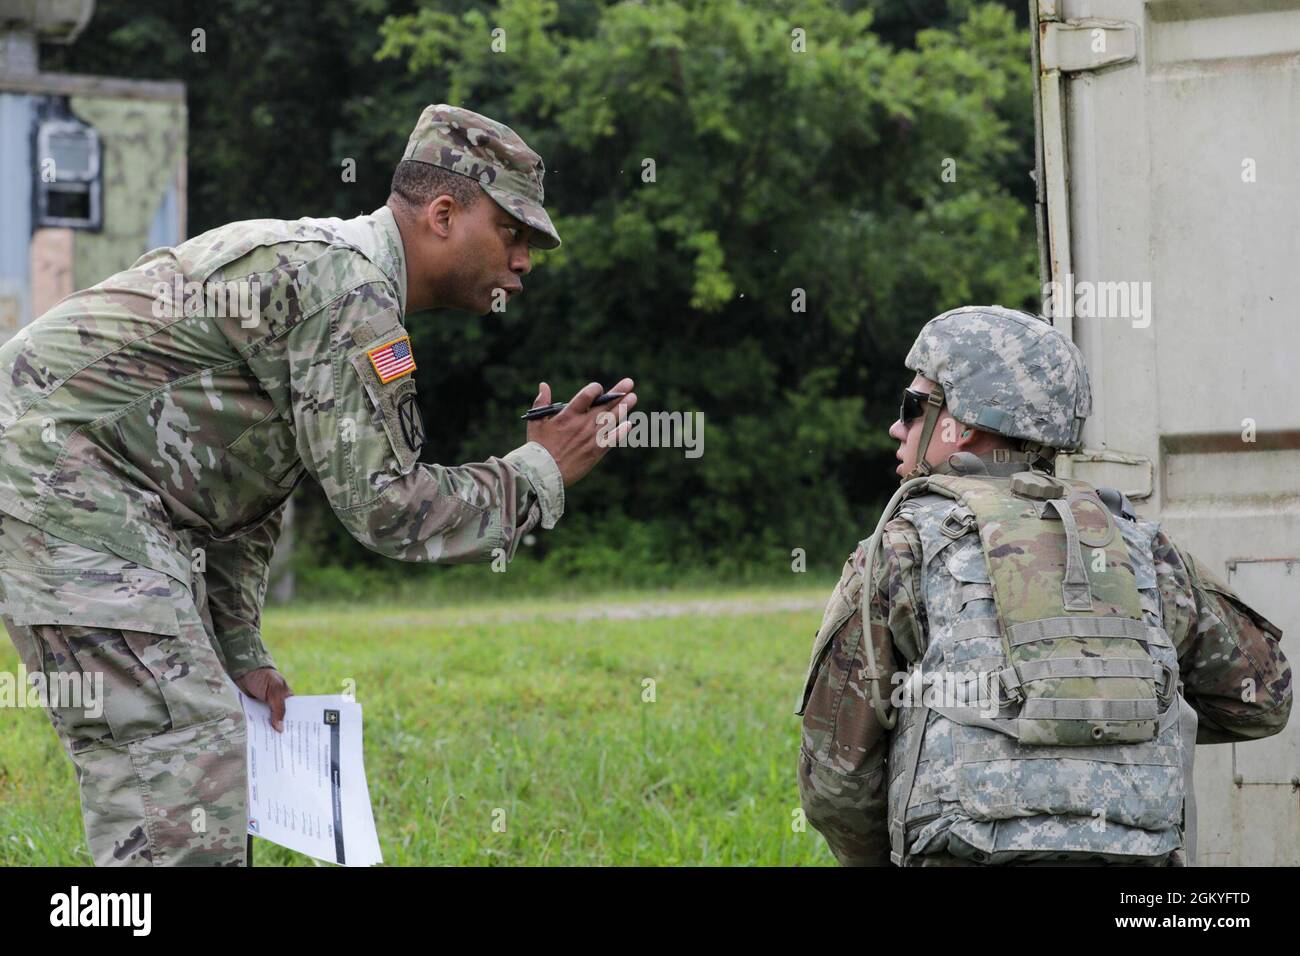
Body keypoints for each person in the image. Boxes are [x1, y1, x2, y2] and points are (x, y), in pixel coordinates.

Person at [0, 104, 636, 866]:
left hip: (86, 486)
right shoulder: (347, 296)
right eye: (513, 231)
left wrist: (240, 649)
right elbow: (391, 511)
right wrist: (537, 472)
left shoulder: (341, 285)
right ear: (442, 214)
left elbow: (239, 487)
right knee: (180, 756)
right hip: (58, 482)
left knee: (198, 750)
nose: (525, 259)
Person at [796, 305, 1291, 866]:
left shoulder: (902, 548)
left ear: (967, 422)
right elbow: (1261, 700)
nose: (897, 427)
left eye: (913, 407)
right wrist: (1111, 721)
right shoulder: (1141, 548)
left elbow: (836, 774)